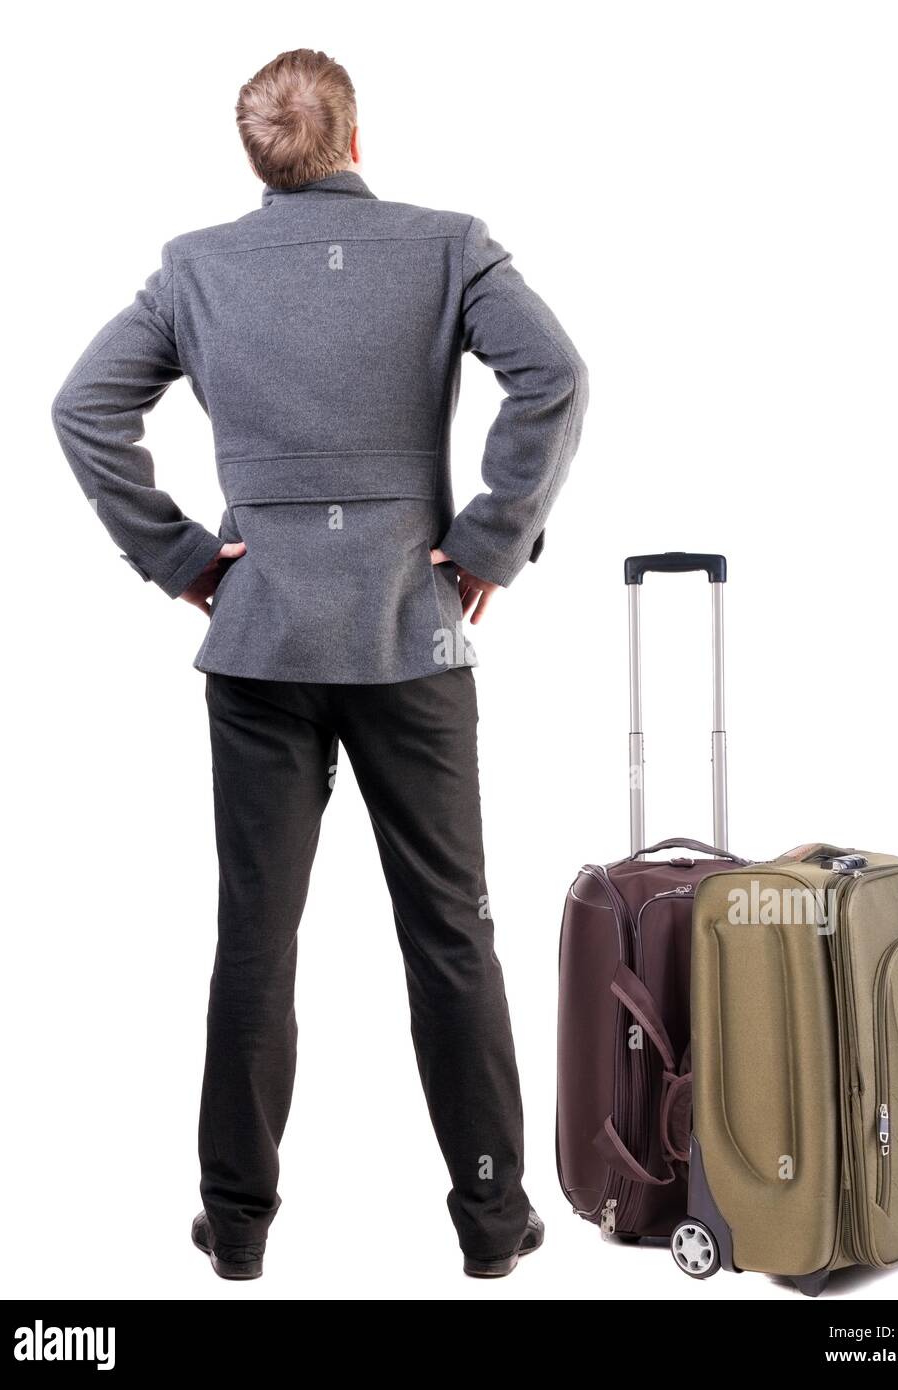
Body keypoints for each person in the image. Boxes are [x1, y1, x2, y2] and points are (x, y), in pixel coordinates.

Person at [51, 47, 588, 1281]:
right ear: (355, 135)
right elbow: (553, 377)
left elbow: (83, 408)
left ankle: (235, 1227)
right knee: (452, 936)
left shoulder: (197, 268)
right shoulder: (447, 243)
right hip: (410, 632)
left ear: (260, 156)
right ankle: (494, 1223)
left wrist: (184, 559)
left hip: (261, 646)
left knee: (256, 939)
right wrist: (485, 547)